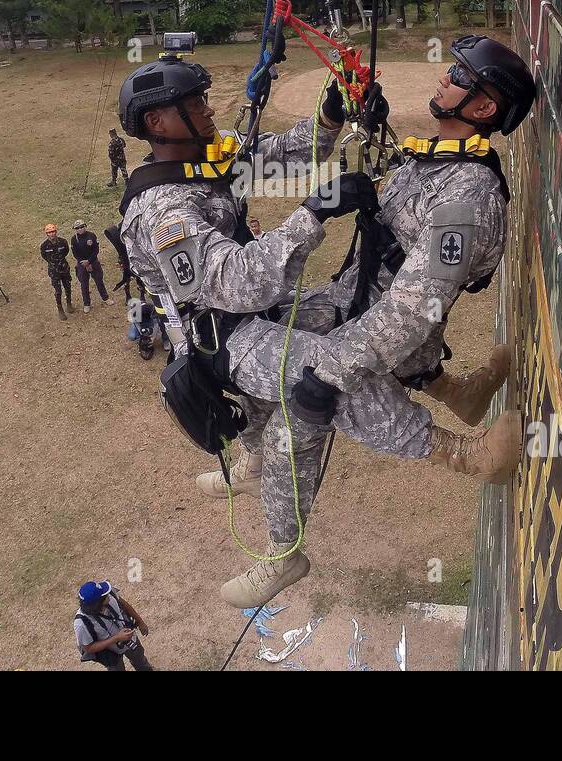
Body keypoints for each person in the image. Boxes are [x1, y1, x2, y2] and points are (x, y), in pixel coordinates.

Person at [118, 43, 529, 608]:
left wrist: (333, 115)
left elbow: (283, 156)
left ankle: (265, 458)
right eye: (197, 102)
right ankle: (291, 546)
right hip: (222, 332)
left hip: (257, 313)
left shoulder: (200, 161)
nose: (211, 110)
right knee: (317, 383)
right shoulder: (164, 209)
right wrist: (311, 215)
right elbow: (242, 283)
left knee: (339, 324)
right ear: (157, 120)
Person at [74, 581, 153, 671]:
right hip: (111, 653)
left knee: (140, 661)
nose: (108, 595)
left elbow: (125, 605)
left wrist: (140, 622)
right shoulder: (81, 624)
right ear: (98, 604)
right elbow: (89, 648)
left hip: (130, 640)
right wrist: (117, 638)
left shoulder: (110, 593)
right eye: (105, 596)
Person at [70, 220, 110, 313]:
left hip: (93, 262)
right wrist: (83, 263)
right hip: (81, 264)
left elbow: (96, 250)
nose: (80, 229)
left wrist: (89, 261)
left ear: (85, 226)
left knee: (99, 281)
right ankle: (86, 304)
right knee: (84, 284)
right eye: (77, 228)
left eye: (82, 227)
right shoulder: (74, 239)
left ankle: (105, 298)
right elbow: (75, 254)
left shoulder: (92, 235)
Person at [39, 224, 75, 319]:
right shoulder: (44, 246)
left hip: (64, 268)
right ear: (47, 234)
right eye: (50, 232)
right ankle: (60, 309)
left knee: (68, 287)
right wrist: (53, 264)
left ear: (56, 232)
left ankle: (69, 303)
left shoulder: (63, 242)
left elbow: (66, 252)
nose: (52, 234)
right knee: (58, 291)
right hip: (54, 271)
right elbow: (44, 257)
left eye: (53, 232)